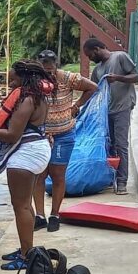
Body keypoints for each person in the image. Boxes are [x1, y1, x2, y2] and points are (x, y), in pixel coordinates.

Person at [0, 60, 56, 270]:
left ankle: (27, 256)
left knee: (20, 207)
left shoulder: (27, 100)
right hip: (37, 152)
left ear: (25, 78)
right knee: (26, 204)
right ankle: (25, 249)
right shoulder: (39, 98)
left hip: (26, 156)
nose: (11, 83)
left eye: (14, 79)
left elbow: (12, 136)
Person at [33, 50, 98, 232]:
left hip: (63, 133)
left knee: (58, 174)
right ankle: (39, 215)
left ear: (55, 66)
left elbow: (92, 86)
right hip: (40, 135)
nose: (48, 73)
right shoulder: (33, 80)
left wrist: (76, 106)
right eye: (44, 69)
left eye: (50, 69)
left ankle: (55, 214)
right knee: (39, 174)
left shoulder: (66, 78)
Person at [83, 38, 138, 195]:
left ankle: (122, 182)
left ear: (97, 49)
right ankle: (110, 178)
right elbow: (93, 91)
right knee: (109, 145)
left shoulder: (120, 57)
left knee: (121, 144)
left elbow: (135, 77)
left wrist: (118, 78)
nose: (90, 59)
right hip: (106, 111)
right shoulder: (98, 70)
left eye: (90, 55)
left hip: (123, 107)